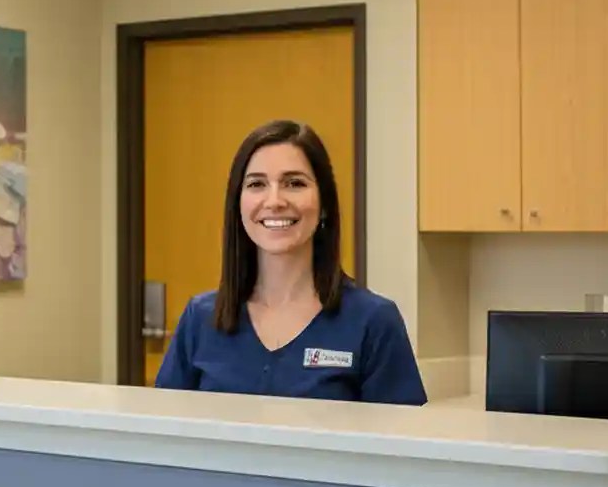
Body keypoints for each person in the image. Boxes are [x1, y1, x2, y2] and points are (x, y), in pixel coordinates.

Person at [154, 119, 427, 405]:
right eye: (257, 184)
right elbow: (163, 439)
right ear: (238, 204)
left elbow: (400, 445)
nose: (274, 201)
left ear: (324, 205)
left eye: (294, 183)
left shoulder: (373, 321)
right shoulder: (200, 318)